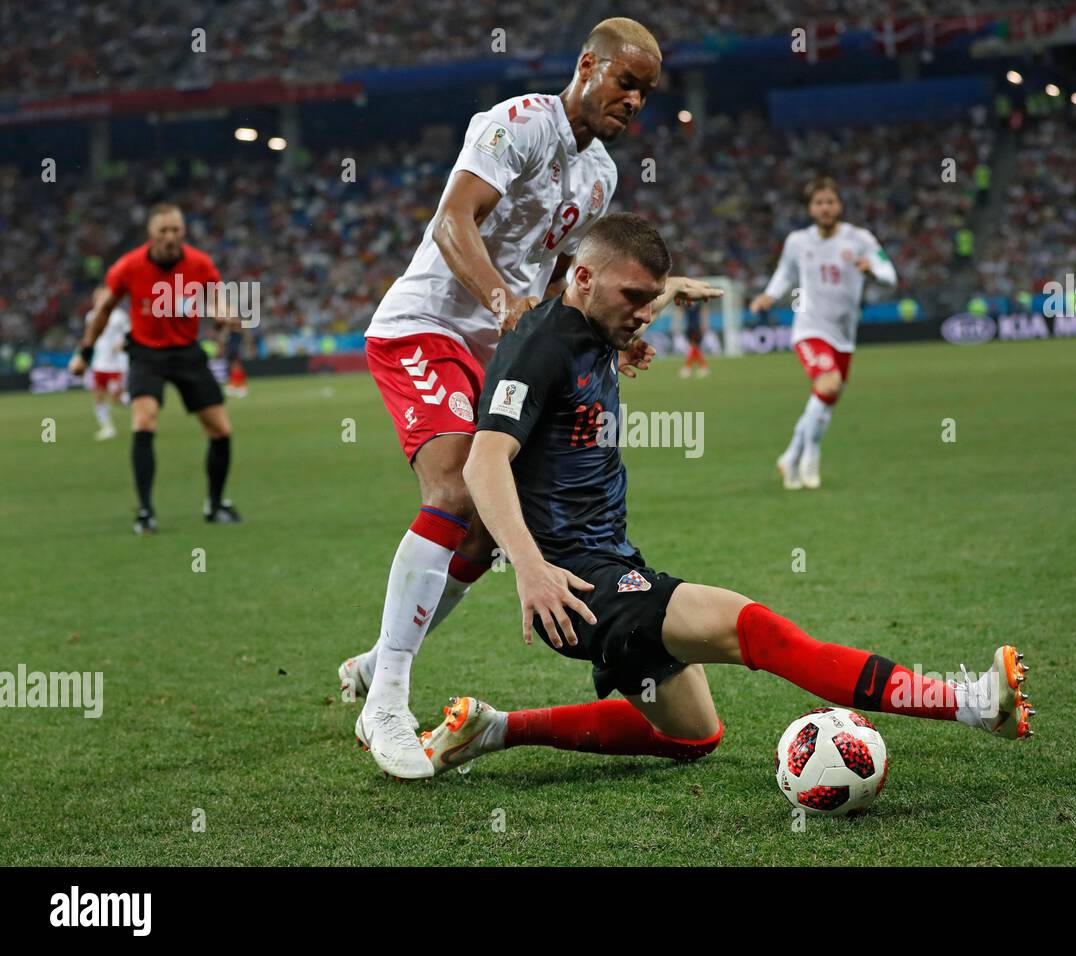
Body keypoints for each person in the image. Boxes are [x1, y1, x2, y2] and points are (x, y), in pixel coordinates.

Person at [416, 213, 1033, 777]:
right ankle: (972, 703)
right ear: (581, 279)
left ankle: (492, 729)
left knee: (692, 738)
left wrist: (670, 290)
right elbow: (484, 460)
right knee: (759, 632)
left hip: (612, 561)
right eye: (633, 298)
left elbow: (628, 301)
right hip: (574, 586)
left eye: (649, 299)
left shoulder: (596, 318)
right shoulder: (538, 346)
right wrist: (530, 569)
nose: (642, 311)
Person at [339, 17, 721, 779]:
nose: (634, 101)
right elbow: (453, 220)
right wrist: (501, 301)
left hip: (492, 346)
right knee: (453, 488)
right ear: (588, 65)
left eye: (645, 93)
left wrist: (614, 331)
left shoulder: (602, 176)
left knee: (482, 536)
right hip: (428, 326)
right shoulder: (517, 124)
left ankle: (383, 652)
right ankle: (386, 700)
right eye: (625, 82)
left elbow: (564, 286)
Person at [70, 203, 241, 534]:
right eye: (163, 231)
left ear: (183, 232)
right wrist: (85, 353)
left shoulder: (200, 263)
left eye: (175, 230)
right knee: (143, 421)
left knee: (220, 430)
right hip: (146, 353)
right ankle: (146, 512)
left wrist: (223, 314)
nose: (169, 237)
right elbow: (104, 310)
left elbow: (217, 299)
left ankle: (215, 504)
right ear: (151, 234)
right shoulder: (128, 267)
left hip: (187, 353)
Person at [748, 177, 897, 490]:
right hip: (810, 328)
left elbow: (890, 275)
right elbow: (785, 273)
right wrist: (769, 296)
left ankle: (790, 456)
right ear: (810, 208)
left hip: (844, 334)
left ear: (839, 205)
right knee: (828, 385)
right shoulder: (798, 241)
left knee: (826, 398)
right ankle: (809, 456)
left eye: (830, 201)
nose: (825, 208)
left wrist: (873, 270)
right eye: (819, 203)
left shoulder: (860, 239)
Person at [83, 285, 130, 441]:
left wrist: (122, 343)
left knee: (117, 398)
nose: (102, 299)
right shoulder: (90, 316)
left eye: (104, 297)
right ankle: (107, 428)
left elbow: (129, 333)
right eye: (99, 297)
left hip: (116, 364)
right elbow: (89, 337)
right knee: (98, 397)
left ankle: (139, 402)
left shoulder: (118, 316)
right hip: (99, 363)